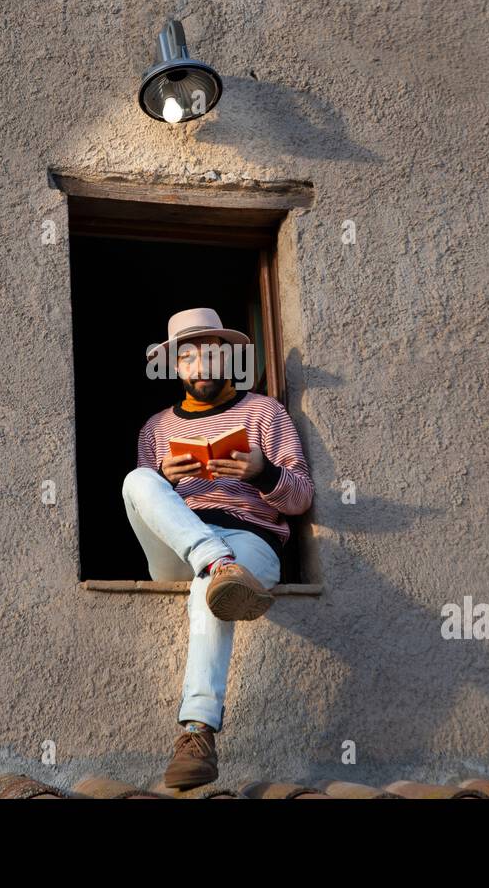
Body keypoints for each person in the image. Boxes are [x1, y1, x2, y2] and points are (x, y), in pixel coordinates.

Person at [122, 307, 314, 789]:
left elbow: (302, 498)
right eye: (187, 357)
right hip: (179, 545)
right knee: (138, 479)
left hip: (250, 541)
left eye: (210, 354)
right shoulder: (156, 430)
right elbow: (147, 503)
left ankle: (197, 730)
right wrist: (166, 480)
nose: (200, 366)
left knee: (212, 586)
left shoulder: (264, 413)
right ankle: (215, 561)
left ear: (228, 358)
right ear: (176, 367)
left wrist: (262, 473)